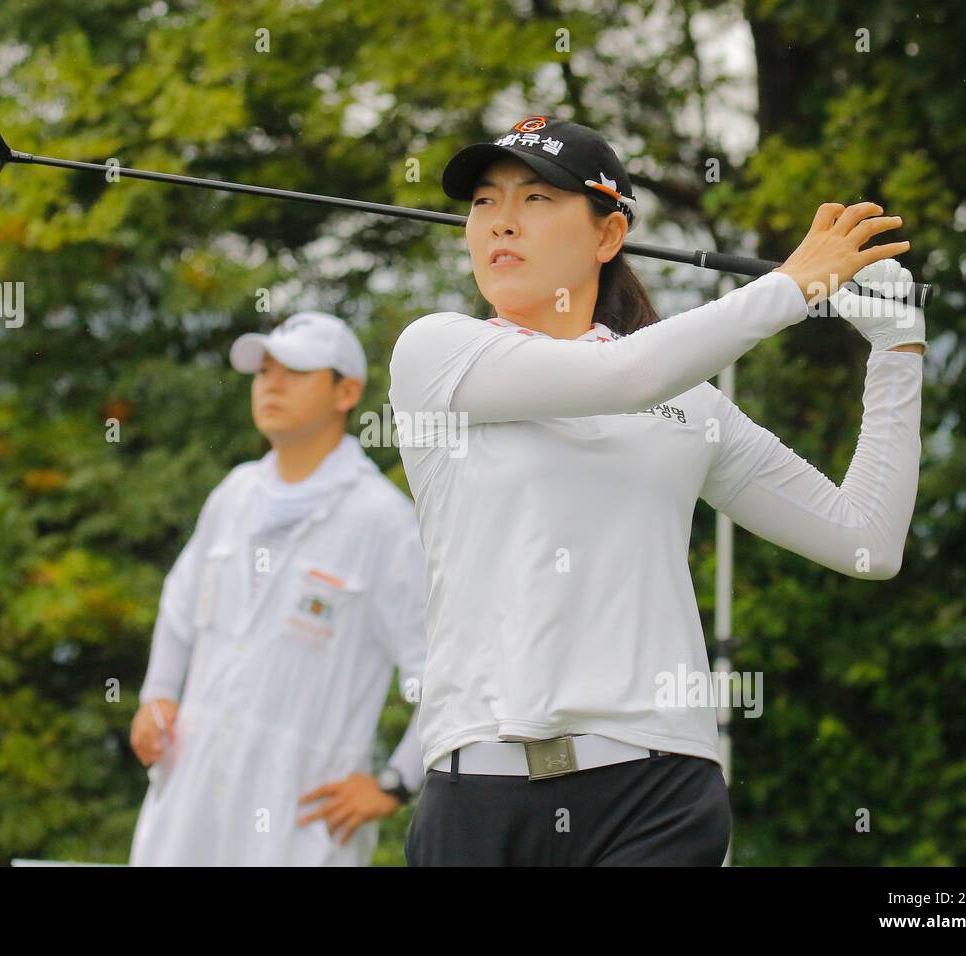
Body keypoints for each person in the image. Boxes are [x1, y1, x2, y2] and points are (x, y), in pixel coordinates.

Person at [388, 115, 926, 866]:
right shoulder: (437, 354)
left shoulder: (690, 404)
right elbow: (624, 377)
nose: (501, 222)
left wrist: (898, 350)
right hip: (476, 797)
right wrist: (793, 286)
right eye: (484, 201)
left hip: (657, 794)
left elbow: (866, 541)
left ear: (608, 237)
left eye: (537, 199)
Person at [129, 311, 428, 866]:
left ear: (347, 391)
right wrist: (158, 696)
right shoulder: (235, 493)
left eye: (294, 371)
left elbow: (439, 674)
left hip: (300, 824)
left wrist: (395, 782)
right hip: (188, 802)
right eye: (264, 370)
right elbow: (178, 607)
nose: (271, 383)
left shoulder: (382, 521)